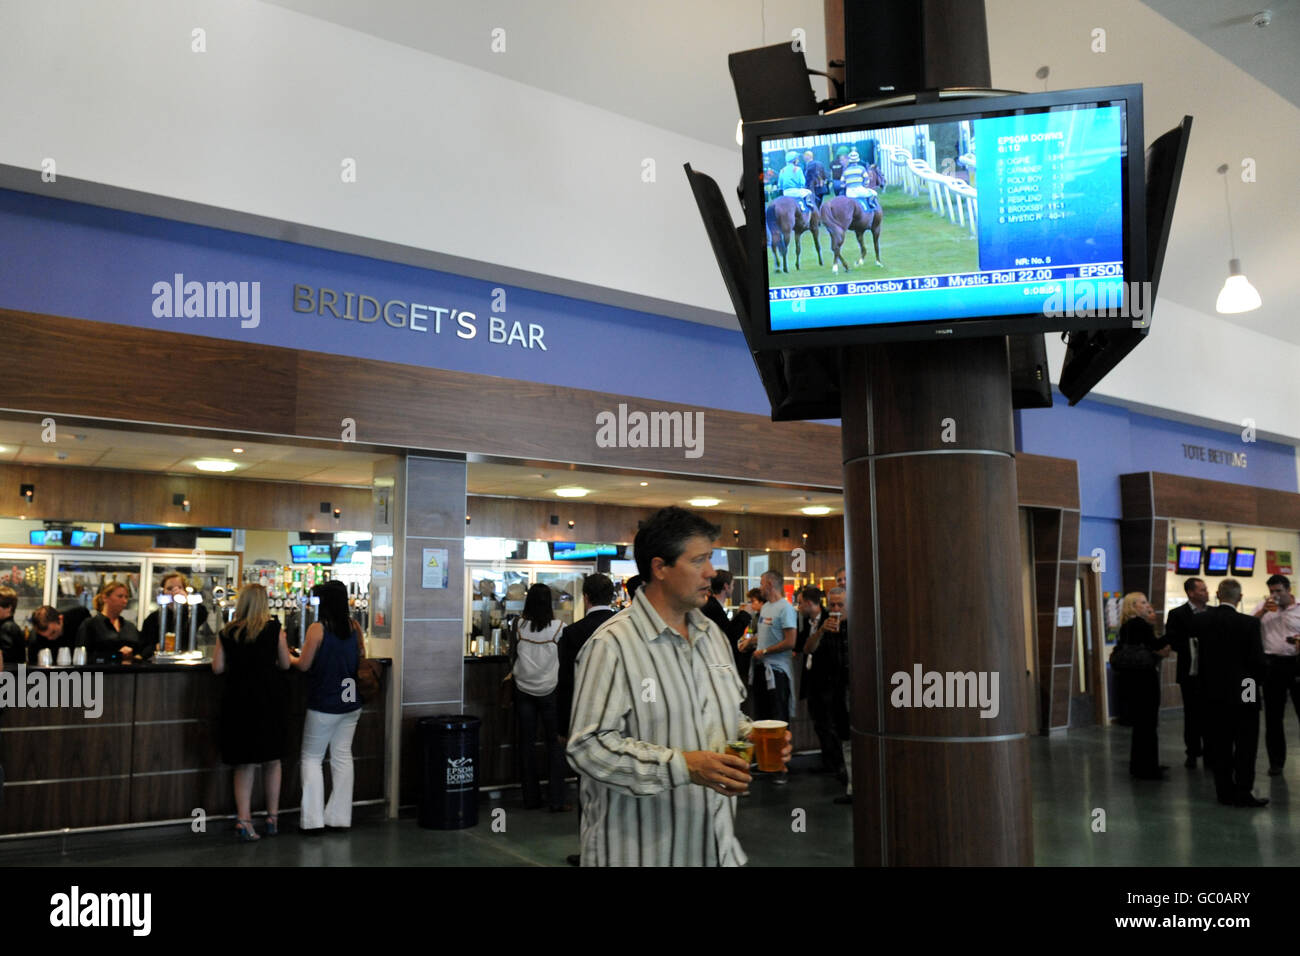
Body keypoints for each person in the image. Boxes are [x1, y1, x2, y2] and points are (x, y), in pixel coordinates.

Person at [566, 507, 791, 866]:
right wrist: (682, 766)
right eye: (698, 560)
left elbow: (720, 714)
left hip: (715, 849)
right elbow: (588, 746)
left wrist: (751, 735)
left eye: (711, 558)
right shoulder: (612, 645)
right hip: (640, 853)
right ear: (660, 568)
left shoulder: (712, 636)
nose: (711, 572)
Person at [212, 584, 291, 840]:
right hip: (269, 699)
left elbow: (217, 667)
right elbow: (286, 663)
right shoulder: (274, 630)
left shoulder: (227, 632)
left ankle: (244, 820)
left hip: (238, 701)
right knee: (272, 760)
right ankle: (272, 817)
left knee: (244, 763)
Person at [291, 580, 363, 832]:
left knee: (311, 758)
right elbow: (360, 658)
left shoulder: (317, 629)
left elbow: (303, 665)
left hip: (324, 701)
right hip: (350, 701)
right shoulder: (355, 627)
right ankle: (339, 818)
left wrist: (288, 655)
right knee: (342, 756)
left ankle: (312, 821)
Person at [1199, 579, 1268, 807]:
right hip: (1245, 688)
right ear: (1240, 598)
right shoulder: (1249, 623)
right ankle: (1243, 791)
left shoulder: (1203, 621)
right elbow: (1256, 661)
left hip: (1213, 692)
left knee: (1220, 743)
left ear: (1218, 595)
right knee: (1246, 743)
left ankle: (1224, 791)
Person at [511, 582, 571, 812]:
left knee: (526, 744)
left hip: (523, 689)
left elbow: (511, 655)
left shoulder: (518, 625)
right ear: (550, 603)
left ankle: (530, 798)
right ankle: (556, 799)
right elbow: (564, 661)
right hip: (551, 690)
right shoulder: (559, 628)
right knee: (554, 744)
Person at [743, 570, 797, 785]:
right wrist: (751, 641)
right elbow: (764, 636)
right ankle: (766, 762)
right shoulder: (765, 608)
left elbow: (790, 641)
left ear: (771, 584)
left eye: (762, 583)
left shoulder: (785, 608)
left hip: (777, 672)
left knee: (778, 717)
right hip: (760, 670)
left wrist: (765, 652)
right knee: (762, 717)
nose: (760, 586)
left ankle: (781, 767)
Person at [1114, 592, 1172, 780]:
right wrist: (1171, 634)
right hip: (1145, 680)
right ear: (1134, 606)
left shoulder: (1125, 627)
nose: (1148, 606)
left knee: (1141, 726)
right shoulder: (1140, 625)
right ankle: (1149, 767)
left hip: (1132, 680)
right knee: (1148, 725)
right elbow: (1155, 644)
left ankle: (1139, 766)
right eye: (1143, 603)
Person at [557, 574, 617, 738]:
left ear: (586, 597)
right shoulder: (625, 627)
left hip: (583, 714)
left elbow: (567, 681)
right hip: (619, 712)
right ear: (611, 597)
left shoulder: (572, 632)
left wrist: (563, 728)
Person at [1251, 574, 1300, 775]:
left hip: (1297, 663)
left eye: (1279, 591)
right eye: (1272, 591)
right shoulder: (1264, 608)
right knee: (1273, 716)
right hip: (1272, 665)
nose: (1275, 595)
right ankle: (1276, 762)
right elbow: (1248, 625)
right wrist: (1263, 611)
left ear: (1289, 591)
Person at [797, 585, 848, 779]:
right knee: (820, 722)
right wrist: (820, 631)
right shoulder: (821, 623)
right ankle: (830, 763)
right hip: (816, 680)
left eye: (840, 604)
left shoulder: (853, 625)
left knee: (834, 726)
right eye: (832, 604)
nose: (835, 608)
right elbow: (807, 648)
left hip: (835, 684)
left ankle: (839, 766)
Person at [1164, 577, 1211, 768]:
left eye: (1206, 589)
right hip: (1189, 672)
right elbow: (1172, 639)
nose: (1206, 593)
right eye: (1202, 590)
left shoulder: (1213, 613)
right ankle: (1192, 751)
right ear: (1191, 593)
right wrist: (1192, 643)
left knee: (1210, 713)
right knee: (1192, 714)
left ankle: (1210, 750)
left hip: (1210, 673)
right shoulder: (1177, 614)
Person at [77, 580, 146, 663]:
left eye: (126, 597)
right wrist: (117, 655)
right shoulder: (90, 624)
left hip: (128, 674)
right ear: (105, 598)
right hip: (100, 673)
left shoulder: (130, 626)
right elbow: (82, 656)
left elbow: (140, 653)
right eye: (120, 596)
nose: (125, 601)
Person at [702, 570, 752, 683]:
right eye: (733, 585)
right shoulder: (713, 608)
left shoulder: (713, 606)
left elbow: (726, 628)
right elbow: (729, 635)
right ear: (726, 586)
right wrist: (745, 614)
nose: (733, 588)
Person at [140, 571, 208, 652]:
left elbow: (203, 613)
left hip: (185, 660)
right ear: (163, 592)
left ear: (185, 590)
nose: (174, 592)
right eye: (169, 589)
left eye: (179, 588)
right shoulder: (153, 618)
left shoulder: (190, 613)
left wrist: (186, 599)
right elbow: (143, 650)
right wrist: (157, 647)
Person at [841, 150, 881, 218]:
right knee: (874, 193)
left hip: (849, 192)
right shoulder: (861, 169)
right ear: (857, 160)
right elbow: (866, 180)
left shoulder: (846, 170)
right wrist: (864, 186)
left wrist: (847, 185)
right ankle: (871, 205)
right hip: (859, 190)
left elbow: (842, 183)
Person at [776, 150, 816, 217]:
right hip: (796, 191)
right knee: (809, 192)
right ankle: (808, 205)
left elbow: (780, 185)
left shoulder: (782, 170)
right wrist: (801, 186)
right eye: (797, 158)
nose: (798, 160)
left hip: (785, 192)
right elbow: (802, 183)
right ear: (794, 160)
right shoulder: (798, 169)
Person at [0, 587, 26, 665]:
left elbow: (6, 656)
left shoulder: (8, 627)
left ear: (9, 608)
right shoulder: (9, 626)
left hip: (9, 674)